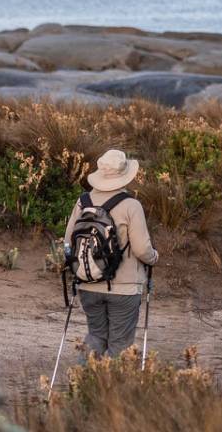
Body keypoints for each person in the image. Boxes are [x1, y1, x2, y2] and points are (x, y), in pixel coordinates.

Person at [64, 148, 159, 358]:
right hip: (124, 289)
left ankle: (83, 382)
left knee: (96, 335)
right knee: (120, 344)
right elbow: (142, 250)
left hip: (88, 283)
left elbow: (68, 243)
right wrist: (155, 257)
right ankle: (111, 388)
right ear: (125, 176)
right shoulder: (131, 205)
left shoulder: (83, 202)